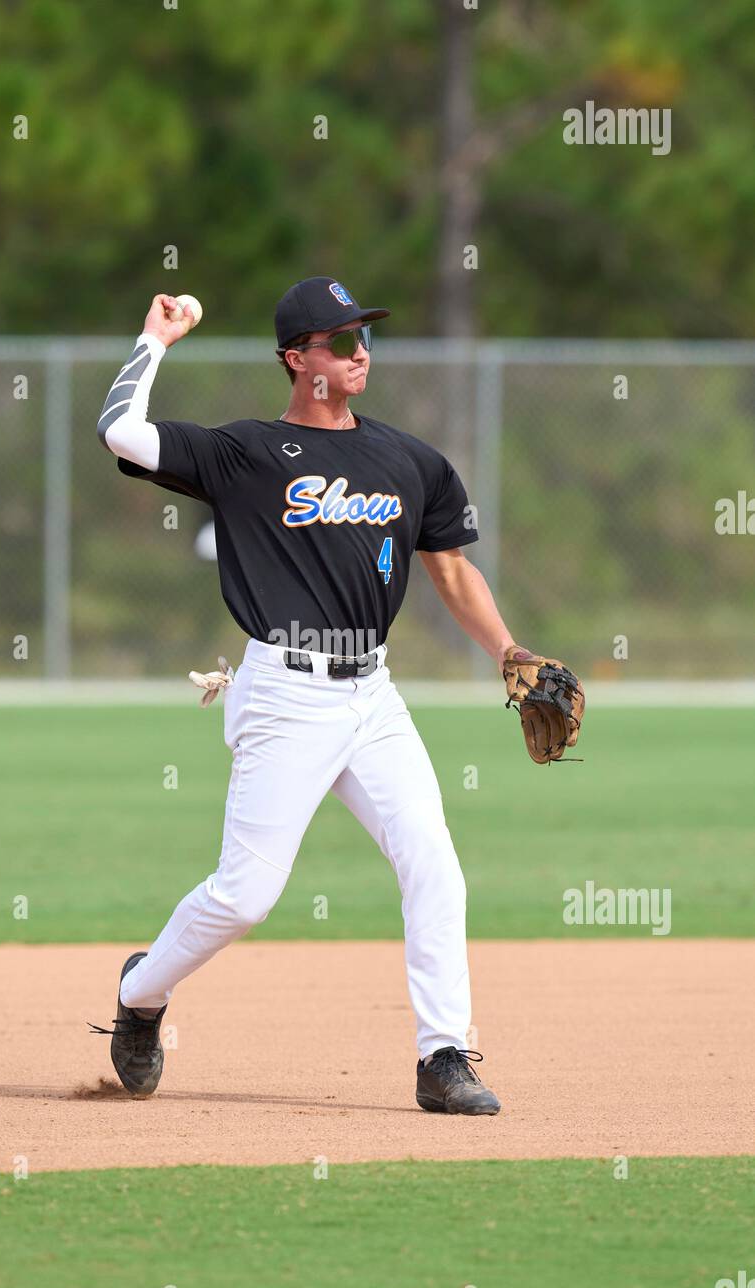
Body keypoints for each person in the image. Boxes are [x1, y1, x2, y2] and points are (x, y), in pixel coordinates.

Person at [91, 276, 521, 1116]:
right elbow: (119, 430)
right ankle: (142, 994)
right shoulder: (245, 453)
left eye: (364, 334)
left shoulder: (409, 461)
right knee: (246, 895)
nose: (360, 351)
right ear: (297, 358)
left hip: (375, 695)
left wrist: (509, 651)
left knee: (434, 864)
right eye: (339, 338)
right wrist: (157, 340)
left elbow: (452, 572)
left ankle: (443, 1057)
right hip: (285, 695)